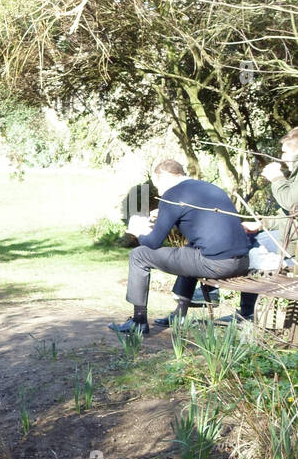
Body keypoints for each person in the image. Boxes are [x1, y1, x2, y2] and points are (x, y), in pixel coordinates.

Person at [110, 160, 252, 335]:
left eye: (158, 186)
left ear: (162, 177)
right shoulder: (210, 188)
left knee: (139, 255)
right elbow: (197, 225)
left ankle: (138, 321)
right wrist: (164, 216)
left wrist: (138, 232)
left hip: (216, 264)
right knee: (189, 250)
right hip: (243, 262)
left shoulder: (173, 195)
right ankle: (179, 315)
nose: (160, 192)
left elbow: (154, 242)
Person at [215, 127, 298, 325]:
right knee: (245, 241)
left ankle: (235, 306)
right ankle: (240, 309)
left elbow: (291, 203)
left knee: (244, 247)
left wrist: (277, 178)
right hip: (289, 237)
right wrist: (261, 224)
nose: (281, 157)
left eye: (285, 152)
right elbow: (291, 216)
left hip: (293, 245)